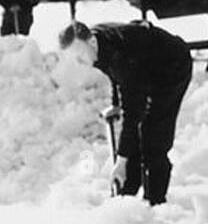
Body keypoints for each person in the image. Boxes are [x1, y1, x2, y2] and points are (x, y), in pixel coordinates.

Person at [59, 20, 193, 205]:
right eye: (74, 57)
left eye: (79, 55)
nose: (78, 61)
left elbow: (132, 112)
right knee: (135, 138)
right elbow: (116, 76)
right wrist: (116, 103)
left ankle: (155, 203)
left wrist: (121, 162)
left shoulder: (120, 56)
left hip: (172, 67)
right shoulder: (95, 47)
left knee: (153, 134)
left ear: (91, 43)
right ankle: (127, 197)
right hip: (144, 66)